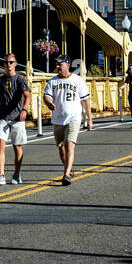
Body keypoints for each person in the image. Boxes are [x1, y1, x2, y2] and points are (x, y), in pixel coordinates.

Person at [43, 55, 92, 186]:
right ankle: (69, 169)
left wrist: (89, 120)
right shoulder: (52, 81)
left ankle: (66, 175)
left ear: (68, 65)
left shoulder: (77, 80)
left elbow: (86, 101)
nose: (58, 66)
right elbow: (46, 96)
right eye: (57, 64)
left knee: (69, 145)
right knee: (61, 148)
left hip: (73, 118)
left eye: (60, 64)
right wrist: (49, 104)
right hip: (58, 119)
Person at [0, 52, 30, 185]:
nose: (8, 64)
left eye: (11, 62)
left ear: (15, 64)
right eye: (6, 62)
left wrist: (24, 110)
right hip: (2, 118)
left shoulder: (20, 79)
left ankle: (16, 174)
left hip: (17, 118)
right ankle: (1, 175)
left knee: (17, 147)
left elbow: (27, 95)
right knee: (0, 146)